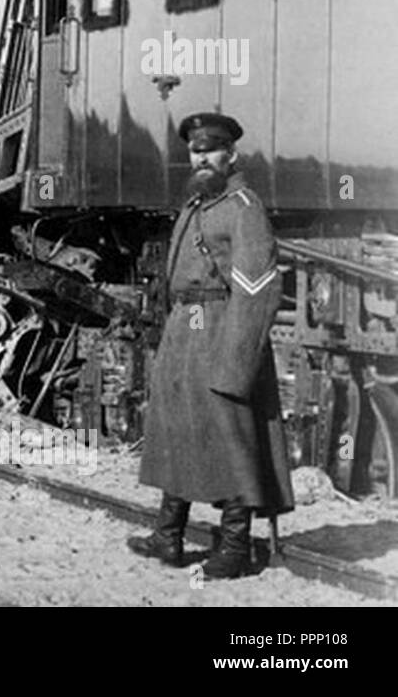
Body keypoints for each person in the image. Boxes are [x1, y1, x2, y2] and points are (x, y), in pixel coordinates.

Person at [128, 113, 294, 578]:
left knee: (230, 432)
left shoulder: (243, 207)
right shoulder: (196, 206)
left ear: (231, 154)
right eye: (195, 151)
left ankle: (236, 546)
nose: (201, 157)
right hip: (187, 327)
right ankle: (168, 536)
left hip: (222, 328)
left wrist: (237, 363)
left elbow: (258, 289)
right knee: (177, 428)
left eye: (211, 149)